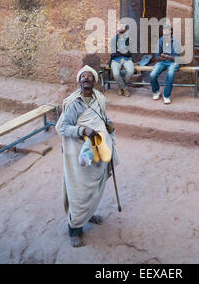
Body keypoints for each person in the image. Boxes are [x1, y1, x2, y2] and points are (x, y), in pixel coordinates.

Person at [56, 65, 119, 248]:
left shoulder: (100, 99)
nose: (86, 79)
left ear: (94, 81)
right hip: (78, 155)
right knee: (79, 191)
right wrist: (83, 129)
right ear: (79, 81)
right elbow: (63, 128)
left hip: (98, 152)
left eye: (89, 77)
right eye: (83, 77)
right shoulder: (73, 103)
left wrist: (109, 127)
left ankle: (89, 214)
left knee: (94, 188)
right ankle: (74, 229)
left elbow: (104, 119)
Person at [150, 25, 181, 104]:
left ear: (171, 31)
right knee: (152, 75)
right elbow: (157, 56)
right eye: (164, 29)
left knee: (170, 74)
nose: (165, 31)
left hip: (173, 63)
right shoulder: (160, 40)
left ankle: (166, 95)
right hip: (162, 62)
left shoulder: (176, 41)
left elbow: (176, 57)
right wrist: (167, 57)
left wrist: (165, 55)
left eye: (167, 29)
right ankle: (156, 91)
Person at [110, 23, 135, 97]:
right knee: (116, 74)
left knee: (130, 72)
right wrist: (123, 51)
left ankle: (120, 86)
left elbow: (129, 53)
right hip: (116, 60)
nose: (120, 27)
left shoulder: (129, 39)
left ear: (126, 29)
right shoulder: (113, 39)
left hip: (127, 59)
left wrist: (119, 50)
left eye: (122, 26)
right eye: (119, 26)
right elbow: (113, 54)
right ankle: (124, 88)